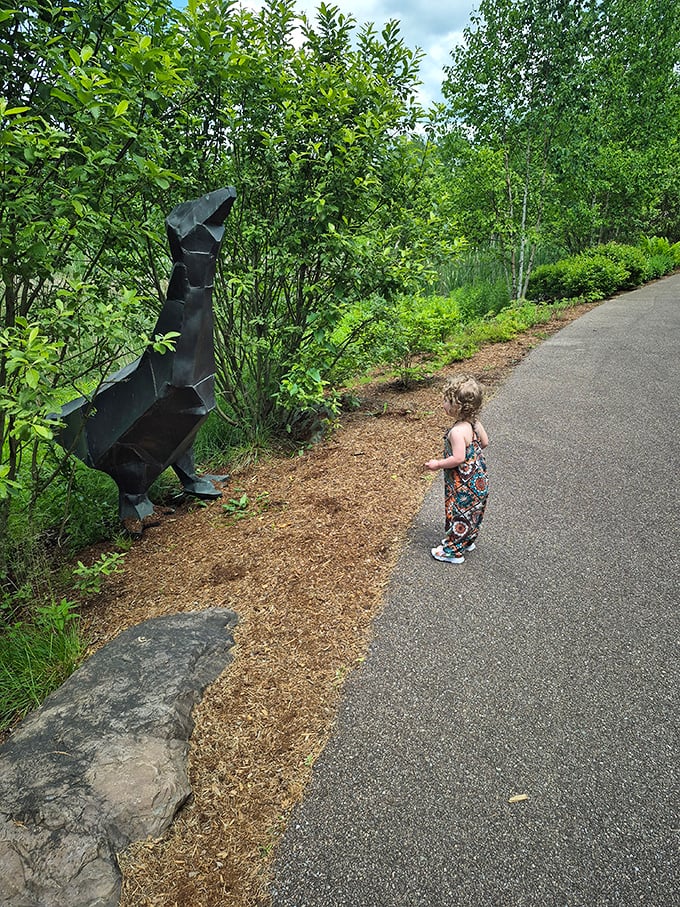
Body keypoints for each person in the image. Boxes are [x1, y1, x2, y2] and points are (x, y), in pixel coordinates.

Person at [424, 375, 489, 563]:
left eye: (446, 400)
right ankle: (467, 541)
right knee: (472, 514)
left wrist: (437, 464)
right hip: (479, 481)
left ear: (457, 406)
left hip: (464, 485)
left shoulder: (456, 432)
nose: (443, 404)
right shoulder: (474, 423)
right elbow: (485, 442)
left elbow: (458, 458)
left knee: (459, 514)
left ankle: (453, 552)